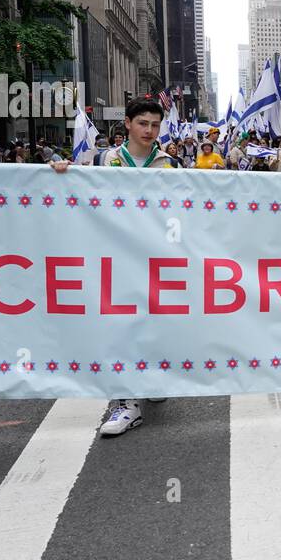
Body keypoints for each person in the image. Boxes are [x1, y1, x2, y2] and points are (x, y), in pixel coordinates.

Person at [51, 99, 173, 437]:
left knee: (151, 320)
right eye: (143, 123)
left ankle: (150, 378)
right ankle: (126, 403)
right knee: (120, 324)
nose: (149, 131)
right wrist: (64, 173)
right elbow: (81, 189)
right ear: (128, 125)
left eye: (155, 125)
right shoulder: (105, 159)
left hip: (155, 256)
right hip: (114, 256)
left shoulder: (169, 164)